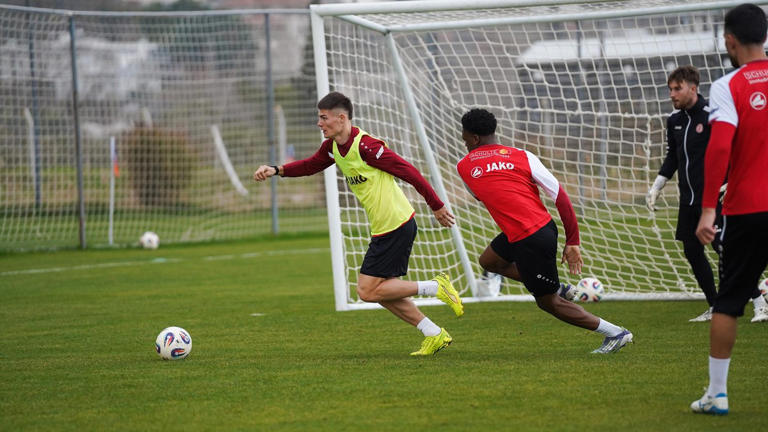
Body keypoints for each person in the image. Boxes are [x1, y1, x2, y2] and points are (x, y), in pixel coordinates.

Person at [253, 92, 463, 356]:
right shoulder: (332, 148)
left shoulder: (367, 147)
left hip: (396, 223)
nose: (319, 123)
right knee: (382, 292)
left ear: (341, 118)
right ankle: (434, 333)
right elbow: (310, 166)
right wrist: (276, 169)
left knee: (366, 291)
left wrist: (437, 205)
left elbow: (409, 172)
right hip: (385, 226)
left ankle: (435, 287)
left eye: (323, 118)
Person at [455, 108, 632, 354]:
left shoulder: (463, 166)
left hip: (531, 238)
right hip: (532, 230)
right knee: (490, 261)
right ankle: (560, 287)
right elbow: (560, 196)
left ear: (474, 139)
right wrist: (573, 241)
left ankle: (616, 333)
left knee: (548, 303)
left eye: (465, 140)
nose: (465, 145)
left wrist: (573, 243)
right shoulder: (523, 155)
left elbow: (478, 195)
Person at [691, 3, 768, 415]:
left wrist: (708, 211)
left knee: (729, 302)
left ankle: (716, 394)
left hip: (749, 210)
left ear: (730, 41)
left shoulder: (728, 86)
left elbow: (719, 147)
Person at [646, 65, 768, 323]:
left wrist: (730, 182)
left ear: (693, 88)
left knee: (726, 249)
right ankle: (715, 305)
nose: (672, 94)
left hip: (716, 199)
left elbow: (733, 148)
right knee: (691, 250)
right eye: (670, 89)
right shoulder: (675, 121)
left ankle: (760, 303)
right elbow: (673, 157)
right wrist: (658, 184)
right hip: (688, 200)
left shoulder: (713, 114)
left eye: (677, 89)